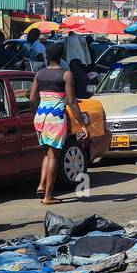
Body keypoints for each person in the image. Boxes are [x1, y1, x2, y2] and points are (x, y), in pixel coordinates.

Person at [29, 44, 86, 205]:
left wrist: (37, 113)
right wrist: (82, 124)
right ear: (61, 57)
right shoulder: (66, 74)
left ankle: (41, 185)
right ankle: (48, 196)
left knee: (47, 153)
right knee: (54, 155)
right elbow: (72, 101)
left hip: (40, 116)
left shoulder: (39, 74)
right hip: (55, 117)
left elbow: (32, 99)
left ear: (46, 56)